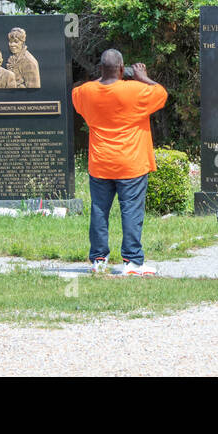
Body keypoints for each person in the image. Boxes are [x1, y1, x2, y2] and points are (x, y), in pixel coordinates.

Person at [71, 49, 168, 275]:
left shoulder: (86, 92)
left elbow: (79, 91)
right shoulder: (136, 90)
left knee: (99, 211)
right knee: (131, 211)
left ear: (100, 69)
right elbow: (161, 93)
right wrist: (142, 77)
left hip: (101, 163)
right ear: (123, 69)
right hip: (131, 163)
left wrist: (102, 77)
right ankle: (132, 262)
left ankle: (98, 260)